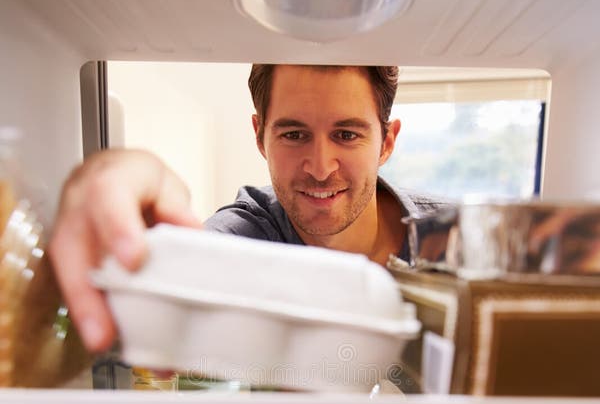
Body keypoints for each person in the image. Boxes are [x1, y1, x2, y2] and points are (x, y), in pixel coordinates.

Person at [49, 64, 446, 352]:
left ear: (388, 141)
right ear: (260, 136)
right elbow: (186, 269)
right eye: (294, 134)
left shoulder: (458, 244)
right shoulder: (248, 235)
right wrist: (122, 189)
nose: (321, 167)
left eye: (346, 134)